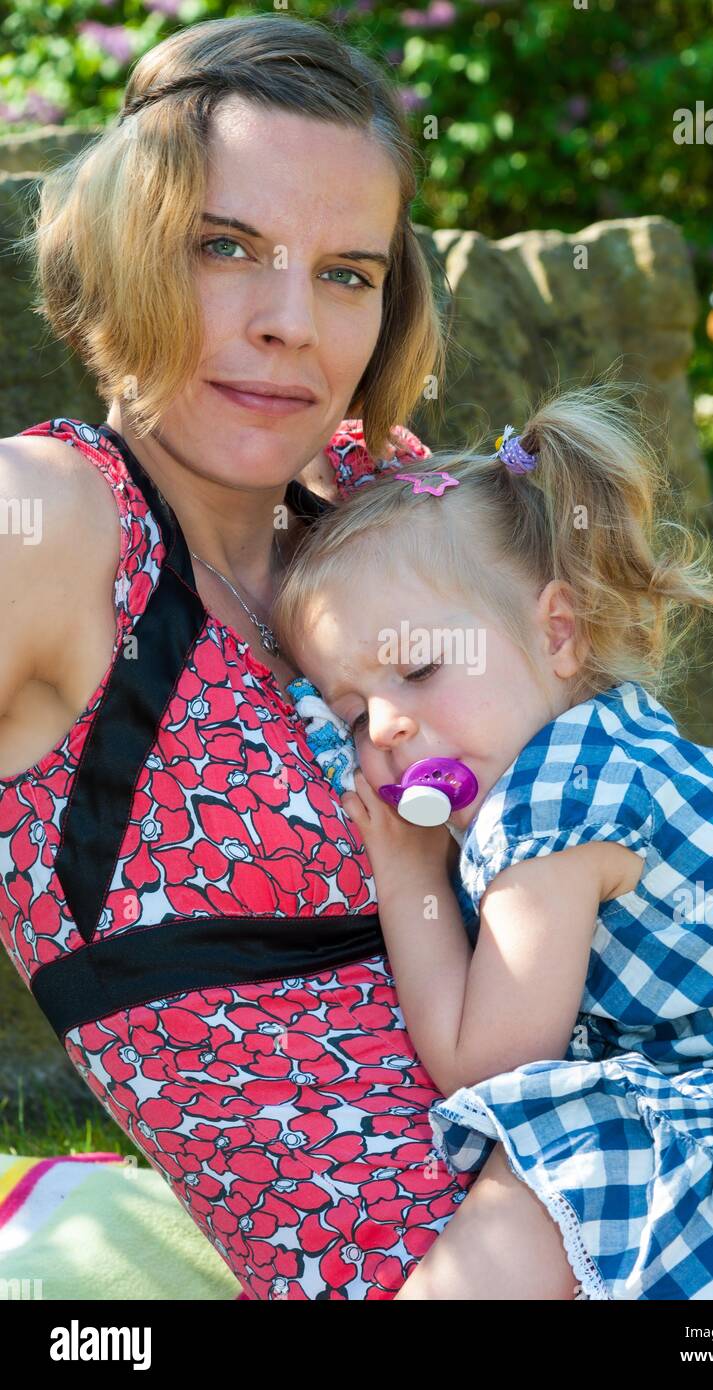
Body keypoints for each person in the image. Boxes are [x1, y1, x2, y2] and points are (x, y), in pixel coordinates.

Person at [0, 12, 520, 1301]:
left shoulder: (370, 536)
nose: (293, 321)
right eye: (226, 249)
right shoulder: (59, 521)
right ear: (125, 252)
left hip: (640, 1165)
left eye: (347, 272)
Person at [274, 383, 713, 1300]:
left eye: (421, 669)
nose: (385, 728)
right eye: (351, 715)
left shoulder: (554, 807)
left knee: (548, 1166)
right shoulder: (602, 743)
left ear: (557, 632)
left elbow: (489, 1064)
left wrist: (406, 875)